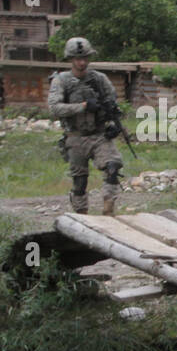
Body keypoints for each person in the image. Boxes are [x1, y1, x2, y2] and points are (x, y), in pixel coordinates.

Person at [48, 36, 124, 216]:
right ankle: (82, 218)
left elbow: (113, 103)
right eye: (77, 59)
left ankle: (108, 211)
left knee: (113, 166)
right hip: (75, 136)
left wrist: (114, 123)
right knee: (80, 182)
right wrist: (82, 107)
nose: (82, 62)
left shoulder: (99, 79)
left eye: (84, 58)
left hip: (99, 134)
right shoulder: (62, 81)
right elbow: (54, 108)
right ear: (70, 59)